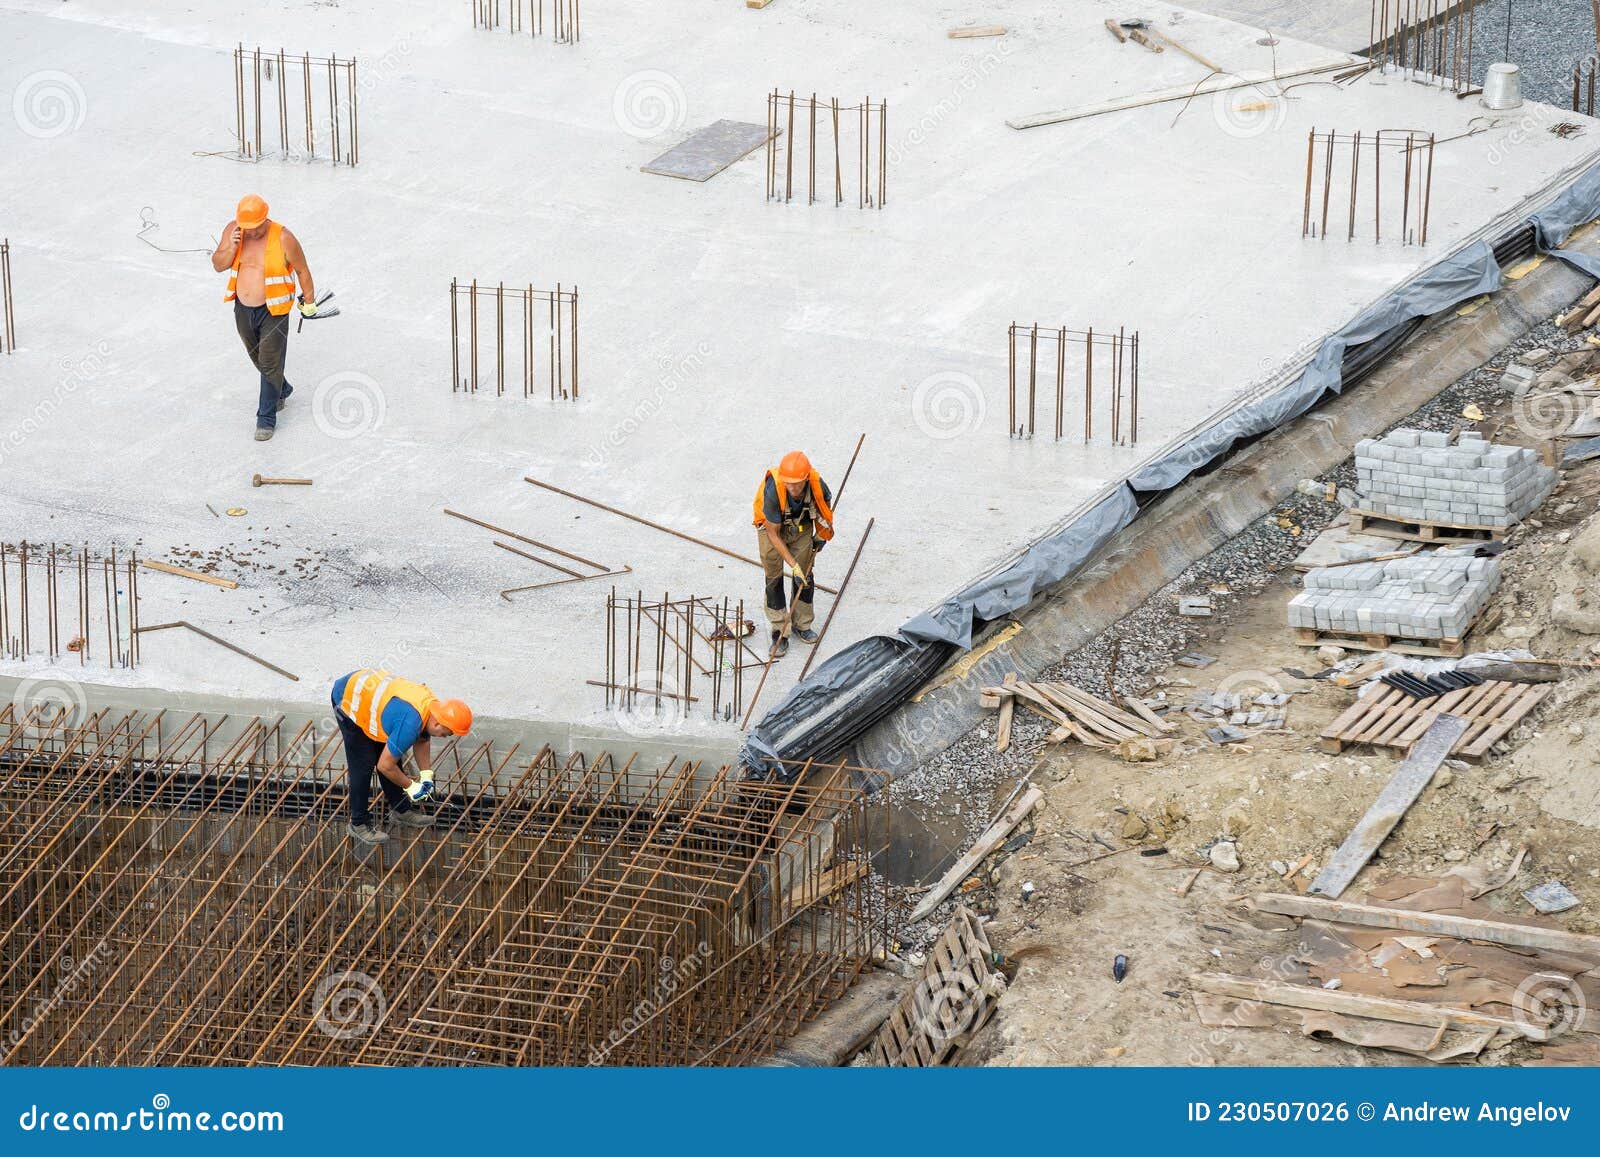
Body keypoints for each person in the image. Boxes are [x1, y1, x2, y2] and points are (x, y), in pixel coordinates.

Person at [210, 194, 318, 442]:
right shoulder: (233, 231)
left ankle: (266, 418)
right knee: (256, 356)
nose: (250, 231)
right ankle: (282, 388)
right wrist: (231, 247)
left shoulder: (284, 238)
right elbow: (218, 265)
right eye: (246, 226)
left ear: (265, 218)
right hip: (243, 308)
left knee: (269, 361)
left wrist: (309, 301)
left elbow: (302, 270)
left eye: (255, 227)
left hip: (274, 310)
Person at [331, 668, 473, 847]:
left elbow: (422, 739)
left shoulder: (431, 709)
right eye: (446, 733)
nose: (445, 737)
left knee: (390, 753)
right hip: (348, 698)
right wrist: (410, 786)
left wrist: (426, 774)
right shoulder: (410, 724)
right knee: (364, 763)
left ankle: (401, 809)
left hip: (373, 698)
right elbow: (385, 766)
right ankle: (358, 824)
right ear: (438, 723)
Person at [752, 451, 834, 658]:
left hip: (801, 526)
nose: (793, 488)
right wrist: (792, 564)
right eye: (788, 483)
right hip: (770, 529)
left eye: (797, 484)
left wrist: (821, 534)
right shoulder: (774, 489)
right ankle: (779, 630)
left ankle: (802, 624)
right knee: (773, 576)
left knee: (804, 575)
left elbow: (824, 509)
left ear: (805, 478)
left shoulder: (817, 485)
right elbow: (773, 533)